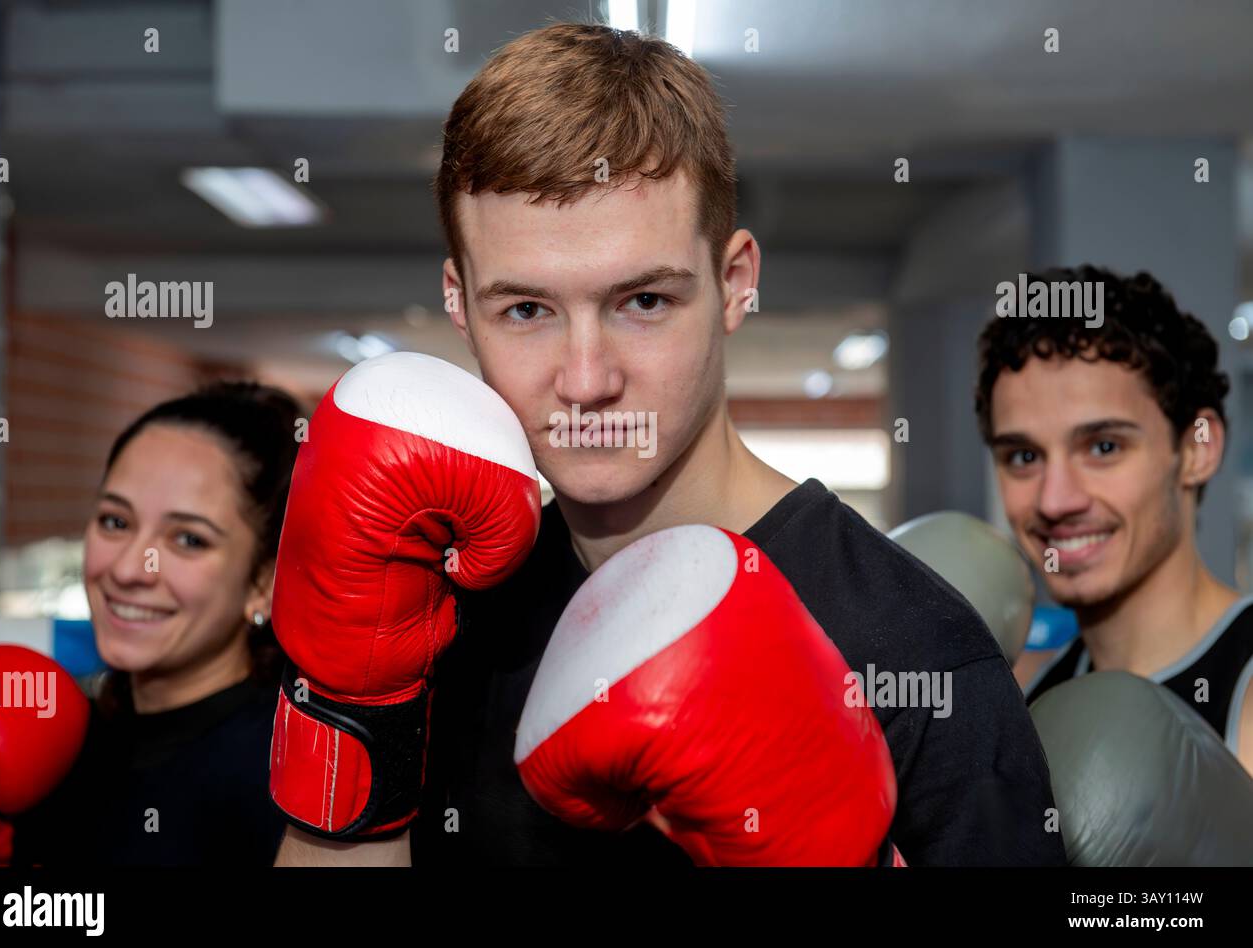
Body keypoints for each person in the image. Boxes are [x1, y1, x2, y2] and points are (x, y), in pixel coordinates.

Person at [274, 22, 1065, 866]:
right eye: (527, 311)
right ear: (459, 304)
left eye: (643, 302)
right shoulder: (445, 615)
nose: (585, 380)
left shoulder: (912, 647)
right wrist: (356, 706)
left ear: (734, 285)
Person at [975, 265, 1253, 776]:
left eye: (1104, 447)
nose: (1055, 501)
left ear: (1197, 449)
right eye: (1023, 457)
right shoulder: (1029, 704)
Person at [13, 381, 303, 865]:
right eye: (115, 521)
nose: (128, 570)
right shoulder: (66, 738)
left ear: (263, 582)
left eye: (188, 539)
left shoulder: (285, 784)